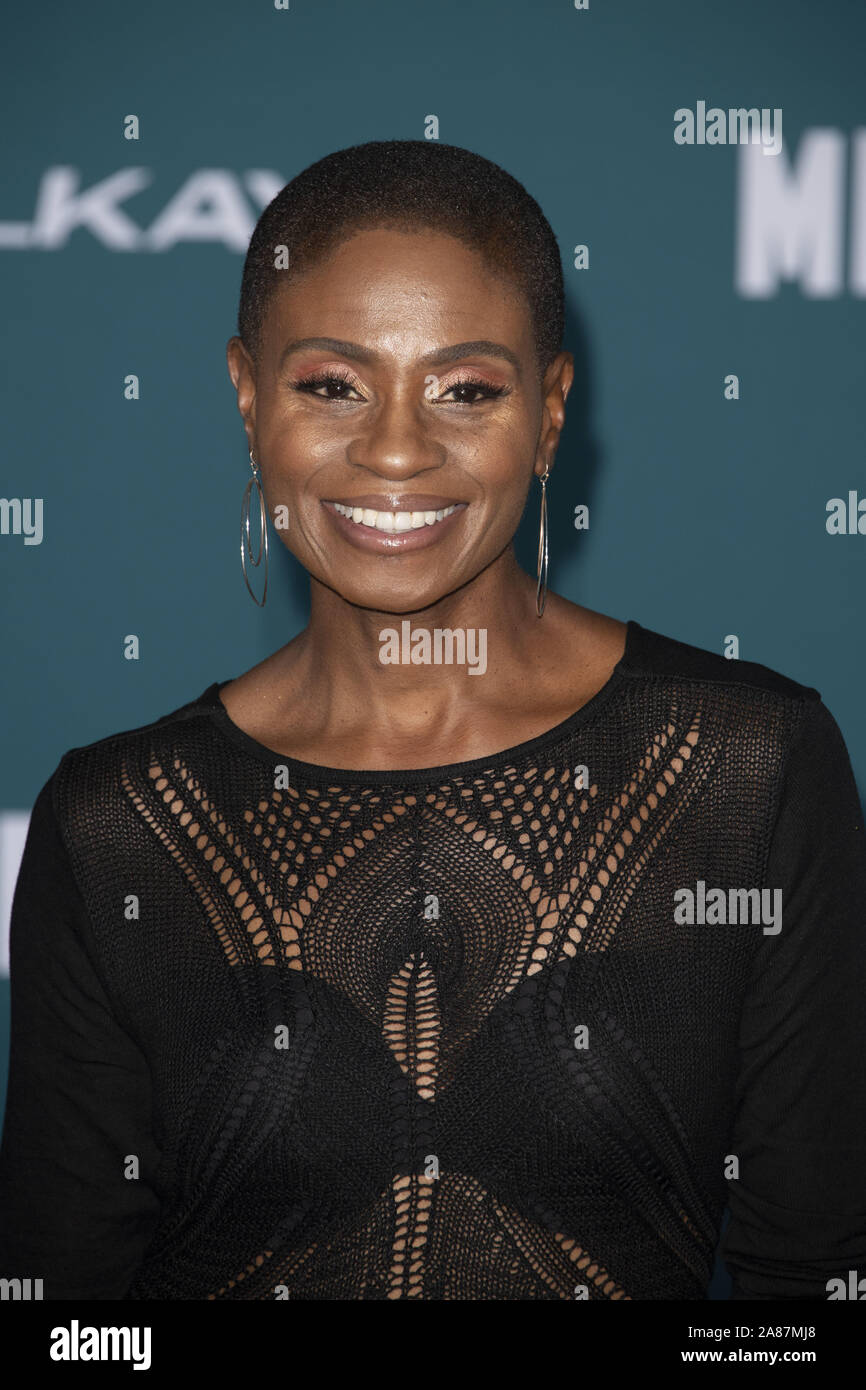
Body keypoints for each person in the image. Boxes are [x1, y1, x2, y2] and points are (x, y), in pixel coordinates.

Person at [0, 139, 864, 1300]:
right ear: (248, 399)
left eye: (465, 389)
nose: (397, 448)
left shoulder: (747, 764)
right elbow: (68, 1315)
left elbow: (807, 1287)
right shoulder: (111, 825)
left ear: (549, 414)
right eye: (330, 385)